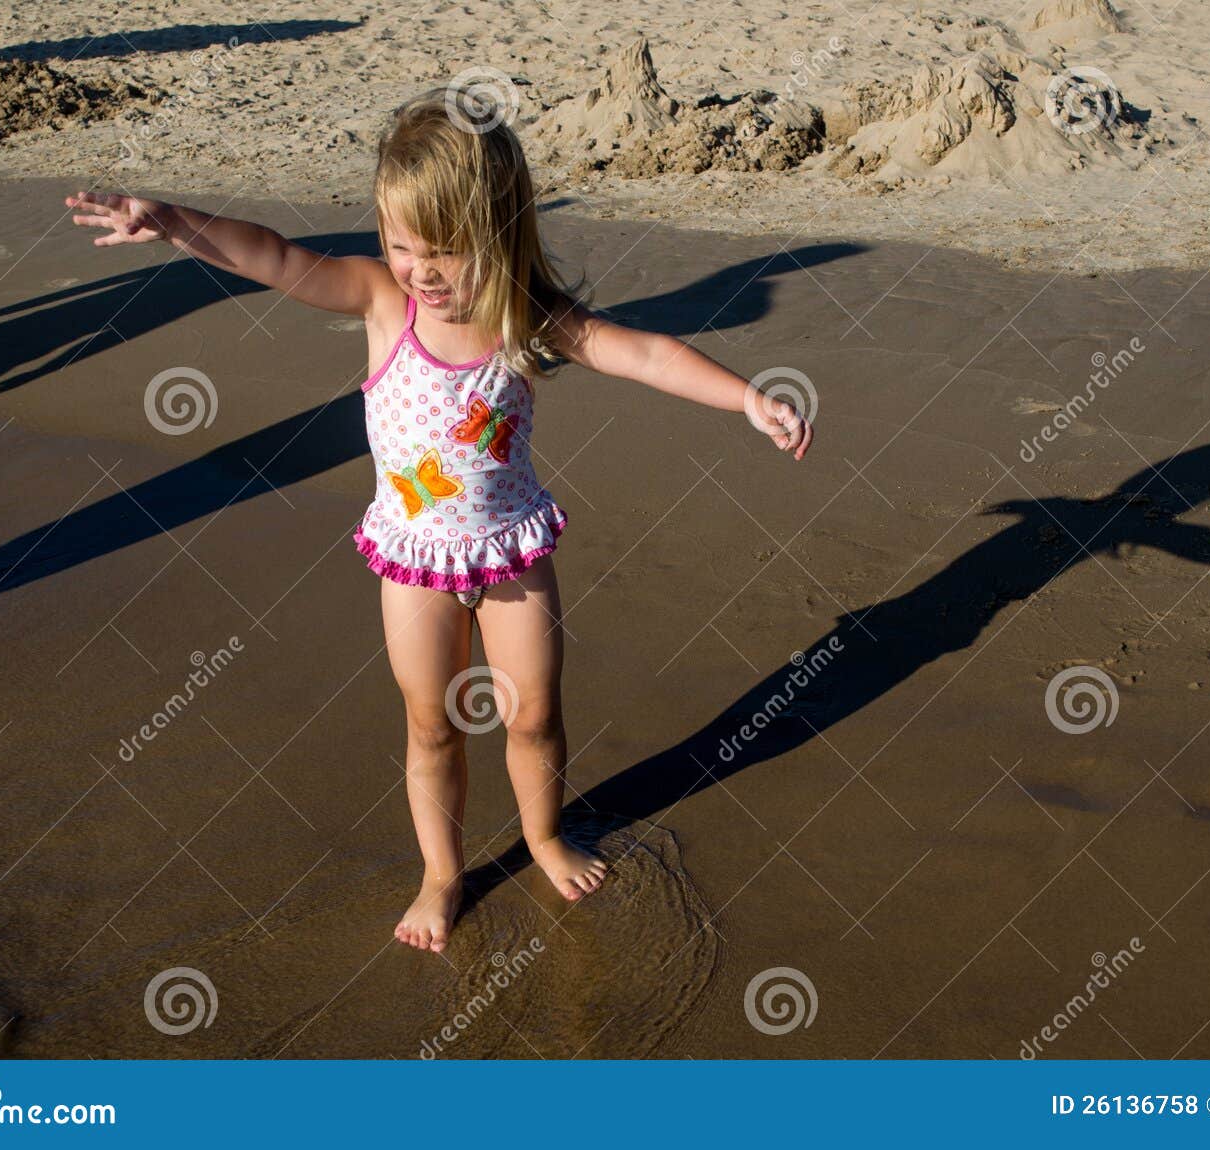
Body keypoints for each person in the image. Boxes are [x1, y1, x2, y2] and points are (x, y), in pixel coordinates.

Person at [65, 86, 812, 954]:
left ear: (498, 231)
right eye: (401, 244)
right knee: (432, 724)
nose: (420, 269)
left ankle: (543, 838)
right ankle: (442, 874)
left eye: (445, 249)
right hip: (414, 561)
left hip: (511, 554)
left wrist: (746, 398)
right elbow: (272, 254)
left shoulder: (523, 315)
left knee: (534, 712)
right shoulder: (381, 302)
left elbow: (640, 351)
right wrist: (171, 222)